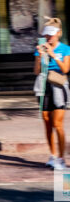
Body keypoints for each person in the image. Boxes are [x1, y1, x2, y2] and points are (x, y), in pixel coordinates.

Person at [34, 17, 70, 170]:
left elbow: (66, 69)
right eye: (47, 35)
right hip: (43, 85)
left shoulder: (65, 49)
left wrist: (53, 55)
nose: (49, 37)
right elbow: (36, 71)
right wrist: (40, 56)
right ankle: (53, 155)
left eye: (52, 34)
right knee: (47, 122)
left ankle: (61, 158)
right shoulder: (41, 48)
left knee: (58, 124)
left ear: (59, 33)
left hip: (59, 86)